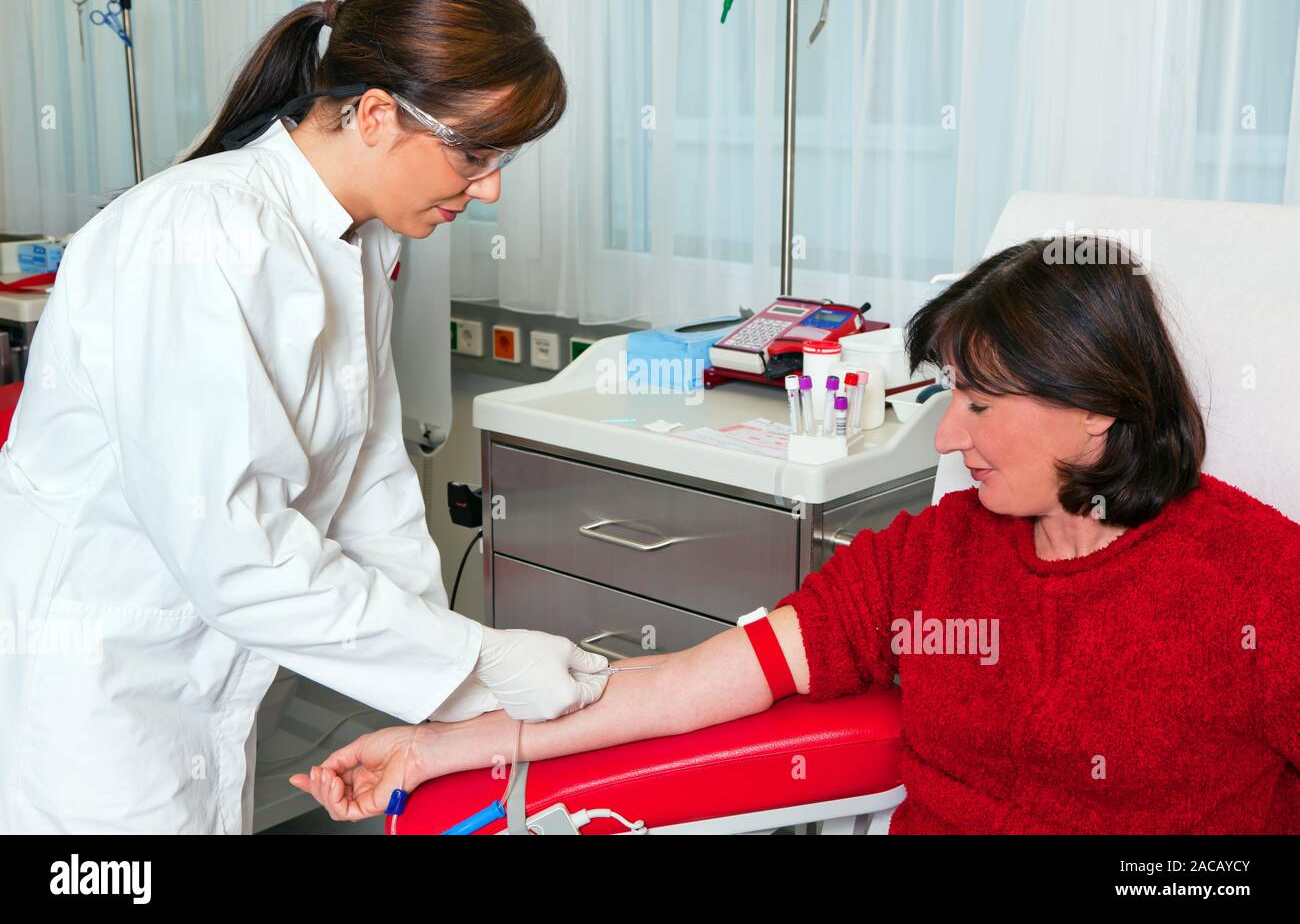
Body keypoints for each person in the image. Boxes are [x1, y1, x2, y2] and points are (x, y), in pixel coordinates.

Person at [295, 236, 1300, 833]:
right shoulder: (928, 558)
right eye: (952, 396)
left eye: (983, 406)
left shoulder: (1261, 585)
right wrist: (432, 750)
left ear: (1099, 409)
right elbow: (682, 683)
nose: (949, 438)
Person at [0, 0, 609, 834]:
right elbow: (235, 550)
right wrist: (472, 659)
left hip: (202, 689)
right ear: (372, 115)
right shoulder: (196, 237)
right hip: (92, 699)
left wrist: (454, 697)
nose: (491, 184)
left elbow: (370, 489)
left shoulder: (357, 248)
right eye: (476, 152)